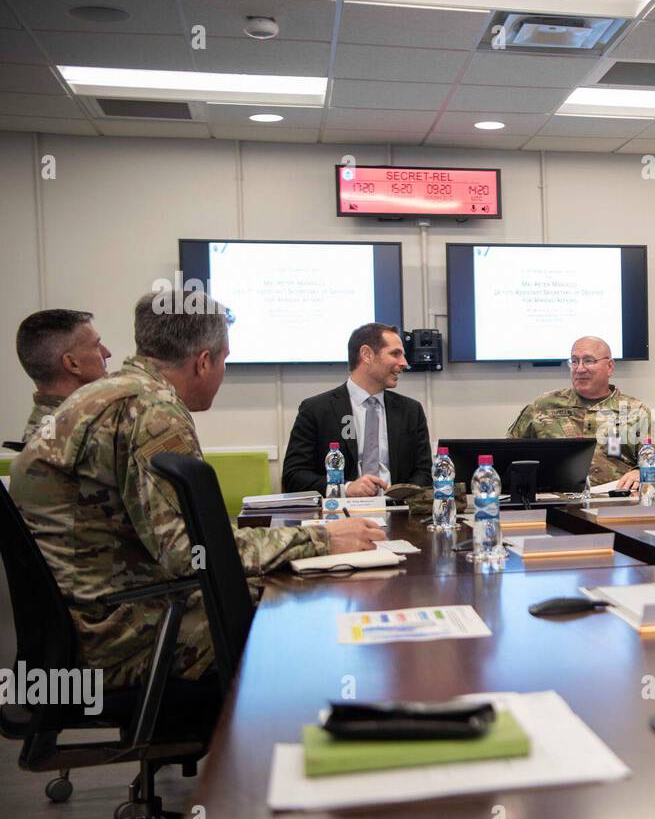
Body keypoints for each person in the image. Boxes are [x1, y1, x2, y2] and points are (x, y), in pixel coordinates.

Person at [10, 290, 383, 689]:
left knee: (290, 591)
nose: (222, 371)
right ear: (203, 361)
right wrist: (320, 539)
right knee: (311, 612)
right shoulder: (152, 411)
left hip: (90, 622)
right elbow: (192, 556)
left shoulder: (111, 393)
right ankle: (273, 745)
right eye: (224, 360)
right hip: (125, 638)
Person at [282, 322, 433, 496]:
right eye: (395, 354)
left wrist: (400, 496)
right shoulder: (316, 410)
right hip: (341, 512)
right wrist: (345, 489)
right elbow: (293, 477)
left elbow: (424, 473)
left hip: (398, 512)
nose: (404, 363)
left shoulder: (411, 411)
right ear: (367, 354)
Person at [508, 335, 655, 489]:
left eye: (588, 361)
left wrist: (640, 473)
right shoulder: (542, 407)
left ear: (610, 366)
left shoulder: (634, 411)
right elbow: (508, 457)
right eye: (574, 361)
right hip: (555, 504)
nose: (580, 369)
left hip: (615, 505)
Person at [14, 308, 112, 444]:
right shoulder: (63, 438)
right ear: (72, 364)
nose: (107, 353)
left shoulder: (68, 424)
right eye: (96, 345)